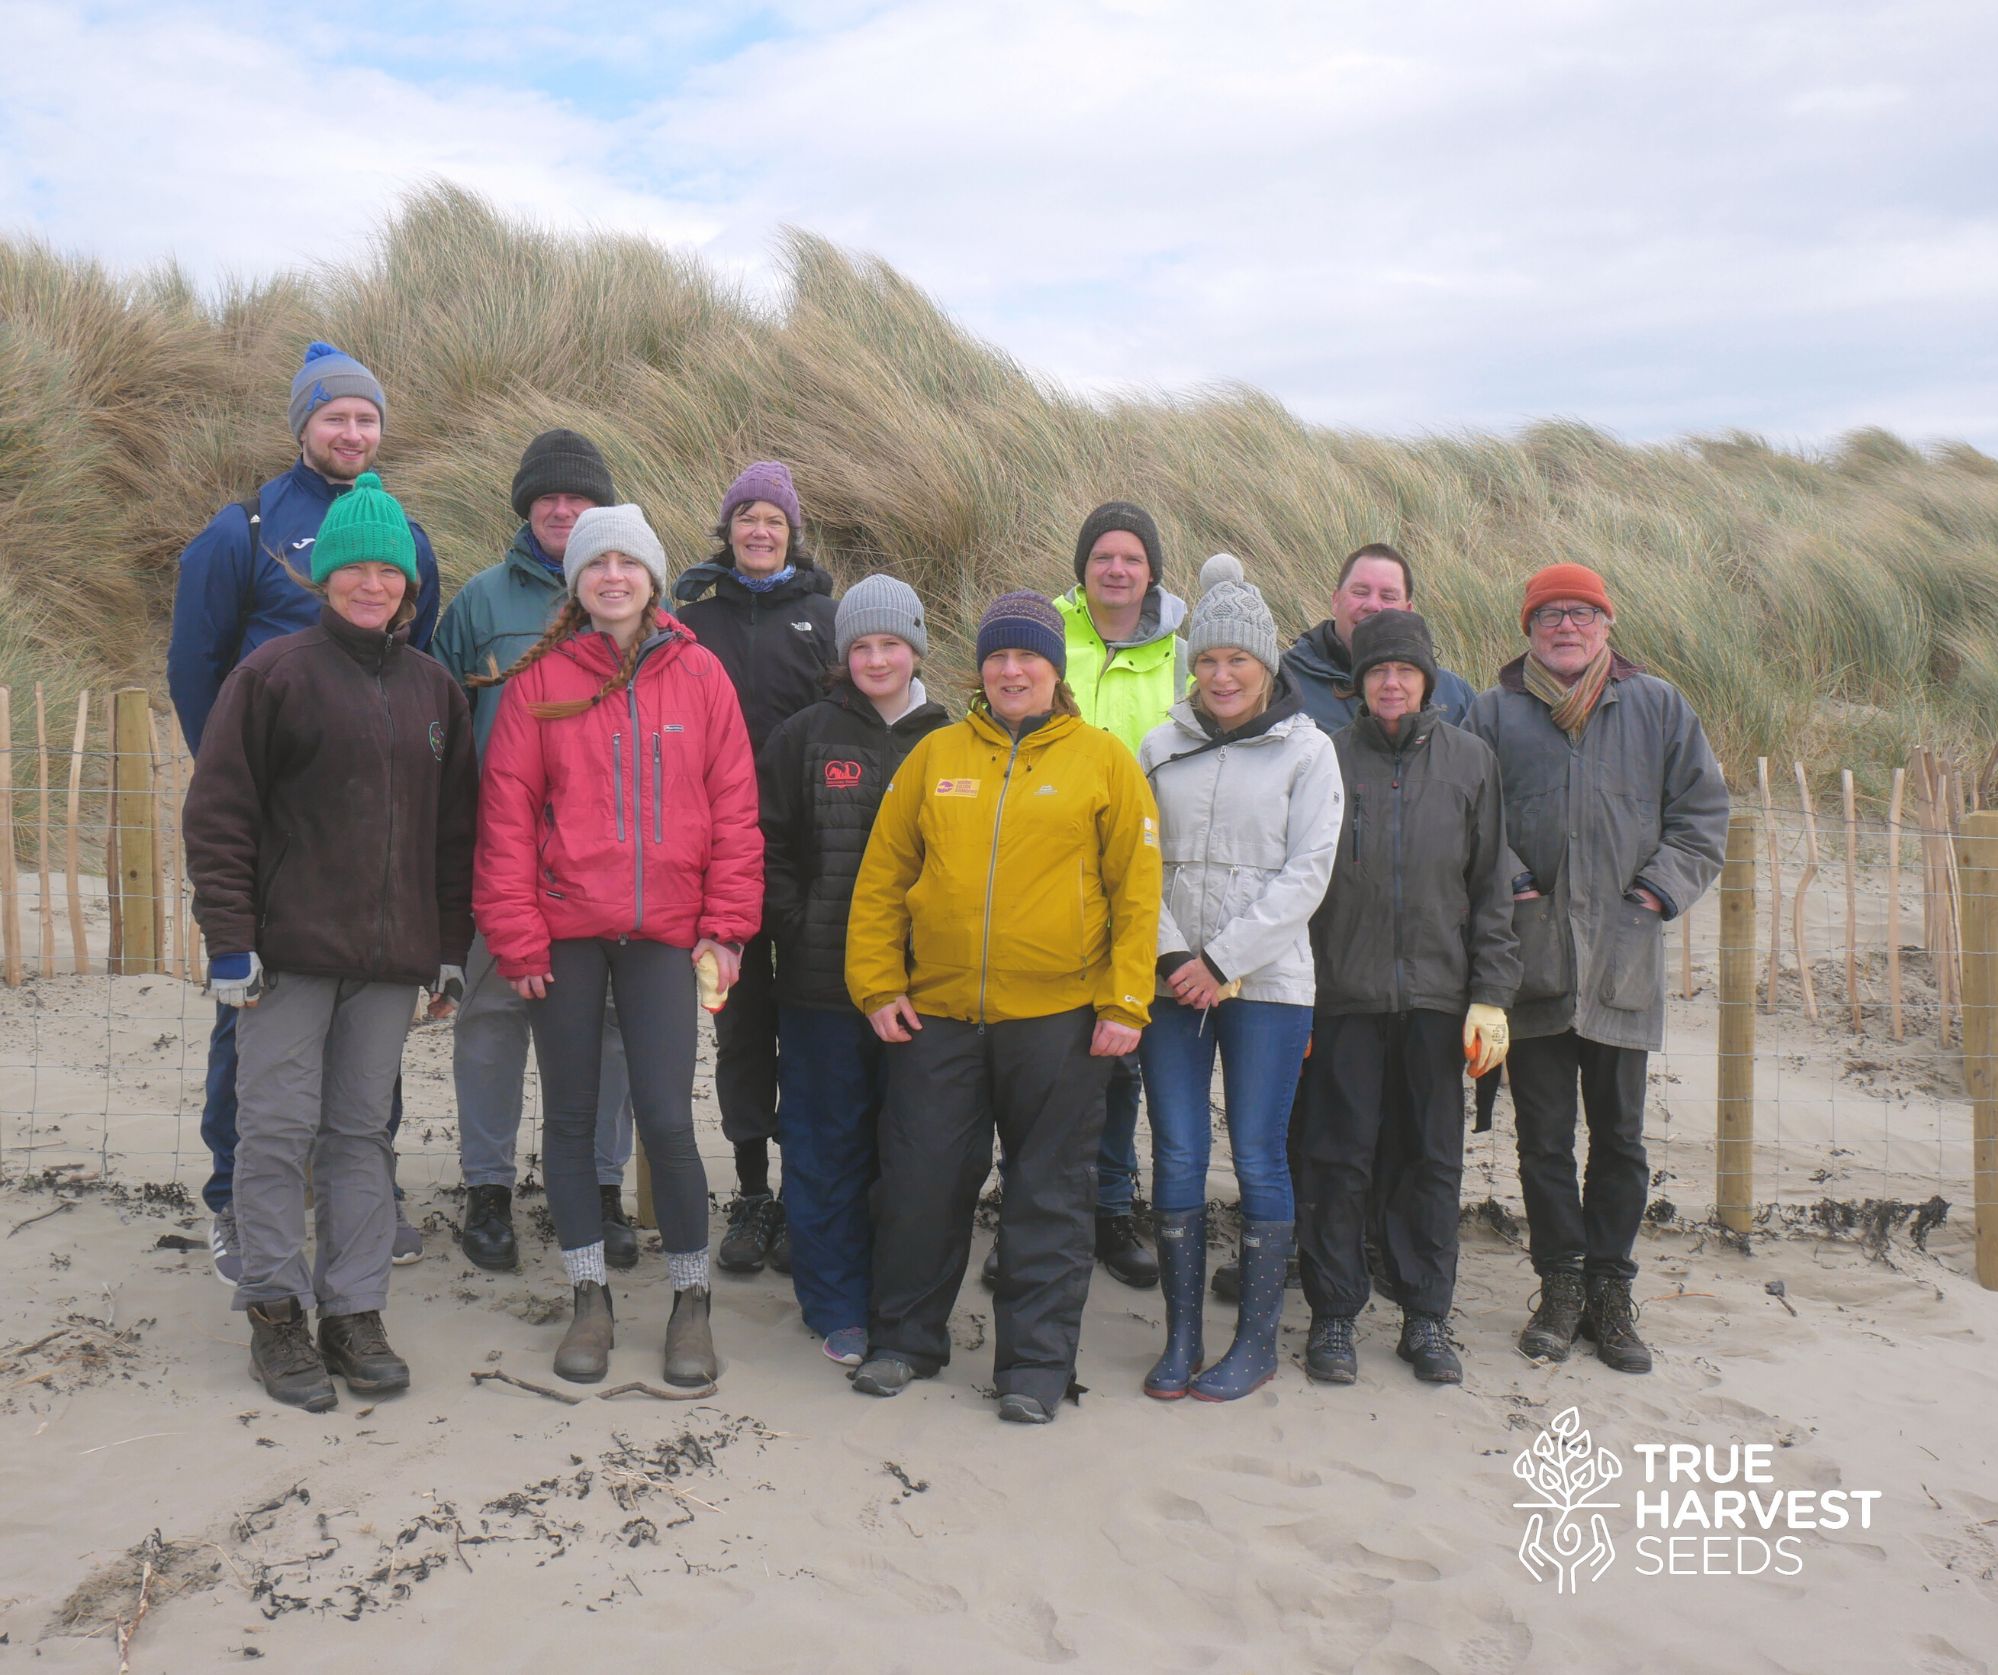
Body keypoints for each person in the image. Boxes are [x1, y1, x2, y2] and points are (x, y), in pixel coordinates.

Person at [182, 472, 476, 1412]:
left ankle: (352, 1312)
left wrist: (448, 949)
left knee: (359, 1137)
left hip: (390, 965)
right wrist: (229, 943)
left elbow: (453, 834)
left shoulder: (436, 690)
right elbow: (219, 815)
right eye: (355, 567)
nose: (373, 584)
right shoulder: (269, 676)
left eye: (389, 571)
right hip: (285, 958)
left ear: (409, 587)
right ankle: (276, 1312)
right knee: (272, 1132)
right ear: (327, 576)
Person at [845, 591, 1162, 1424]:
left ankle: (1034, 1367)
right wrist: (877, 984)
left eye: (1028, 656)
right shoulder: (936, 754)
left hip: (1059, 1021)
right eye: (998, 656)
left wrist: (1127, 999)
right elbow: (882, 877)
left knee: (1048, 1198)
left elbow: (1138, 892)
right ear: (980, 668)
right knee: (920, 1185)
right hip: (938, 1016)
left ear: (1056, 670)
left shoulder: (1102, 762)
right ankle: (905, 1340)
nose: (1012, 670)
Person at [168, 341, 443, 1283]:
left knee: (369, 1030)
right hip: (278, 819)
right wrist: (240, 783)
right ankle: (233, 1202)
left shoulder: (407, 531)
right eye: (336, 417)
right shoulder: (241, 529)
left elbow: (420, 658)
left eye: (367, 418)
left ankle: (360, 1194)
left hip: (373, 828)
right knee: (250, 1024)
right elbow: (194, 664)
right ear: (303, 426)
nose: (353, 432)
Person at [476, 505, 761, 1388]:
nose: (611, 575)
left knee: (669, 1119)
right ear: (577, 583)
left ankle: (689, 1301)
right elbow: (508, 818)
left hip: (666, 937)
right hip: (565, 931)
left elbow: (735, 813)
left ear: (652, 576)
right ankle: (589, 1296)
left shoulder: (702, 674)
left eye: (626, 563)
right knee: (567, 1118)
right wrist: (517, 937)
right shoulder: (541, 681)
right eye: (594, 563)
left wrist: (726, 927)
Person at [1465, 563, 1728, 1374]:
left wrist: (1655, 893)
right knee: (1543, 1140)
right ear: (1529, 630)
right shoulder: (1494, 712)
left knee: (1620, 1138)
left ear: (1607, 625)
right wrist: (1510, 878)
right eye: (1549, 615)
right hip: (1532, 963)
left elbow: (1702, 812)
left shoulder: (1655, 706)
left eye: (1582, 613)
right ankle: (1561, 1286)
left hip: (1621, 961)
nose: (1566, 626)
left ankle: (1612, 1290)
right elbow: (1471, 812)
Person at [1296, 610, 1520, 1387]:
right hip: (1343, 999)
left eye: (1405, 670)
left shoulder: (1470, 762)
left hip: (1437, 1000)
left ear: (1426, 680)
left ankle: (1426, 1315)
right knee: (1337, 1158)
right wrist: (1301, 1000)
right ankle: (1332, 1316)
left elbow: (1491, 888)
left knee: (1431, 1160)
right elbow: (1302, 886)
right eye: (1377, 670)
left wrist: (1491, 994)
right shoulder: (1324, 758)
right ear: (1358, 682)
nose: (1391, 682)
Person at [1136, 556, 1342, 1401]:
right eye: (1209, 661)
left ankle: (1254, 1344)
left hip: (1269, 985)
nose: (1221, 676)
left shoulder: (1309, 749)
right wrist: (1178, 956)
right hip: (1171, 981)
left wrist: (1224, 962)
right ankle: (1182, 1337)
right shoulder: (1159, 744)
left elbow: (1309, 872)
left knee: (1259, 1155)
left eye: (1239, 661)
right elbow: (1136, 864)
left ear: (1266, 667)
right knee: (1178, 1151)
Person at [432, 430, 636, 1273]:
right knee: (490, 1018)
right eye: (545, 498)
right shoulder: (480, 603)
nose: (561, 509)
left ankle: (600, 1185)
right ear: (525, 507)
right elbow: (440, 726)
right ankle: (486, 1188)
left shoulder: (628, 597)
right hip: (506, 855)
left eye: (578, 497)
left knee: (615, 1030)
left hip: (611, 867)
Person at [757, 575, 950, 1368]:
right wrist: (801, 928)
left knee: (908, 1151)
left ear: (915, 648)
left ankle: (892, 1296)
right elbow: (763, 848)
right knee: (822, 1144)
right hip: (822, 991)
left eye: (891, 643)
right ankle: (833, 1301)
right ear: (843, 653)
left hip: (924, 992)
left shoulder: (953, 740)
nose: (877, 658)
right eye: (862, 645)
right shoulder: (803, 736)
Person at [672, 461, 839, 1276]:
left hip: (807, 854)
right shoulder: (691, 619)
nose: (761, 530)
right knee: (739, 1027)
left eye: (774, 518)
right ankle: (750, 1190)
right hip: (713, 854)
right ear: (728, 527)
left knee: (808, 1023)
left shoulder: (826, 617)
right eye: (747, 517)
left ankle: (805, 1190)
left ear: (792, 531)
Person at [1045, 499, 1189, 1290]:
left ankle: (1109, 1207)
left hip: (1140, 876)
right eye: (1103, 555)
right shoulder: (1047, 631)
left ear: (1151, 570)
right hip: (1049, 869)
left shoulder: (1185, 654)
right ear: (1084, 565)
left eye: (1132, 557)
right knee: (1042, 1054)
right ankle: (1040, 1210)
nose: (1116, 569)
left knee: (1121, 1054)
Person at [1281, 542, 1477, 732]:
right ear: (1336, 600)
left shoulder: (1454, 694)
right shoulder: (1282, 682)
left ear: (1408, 611)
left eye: (1388, 596)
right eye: (1360, 592)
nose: (1373, 606)